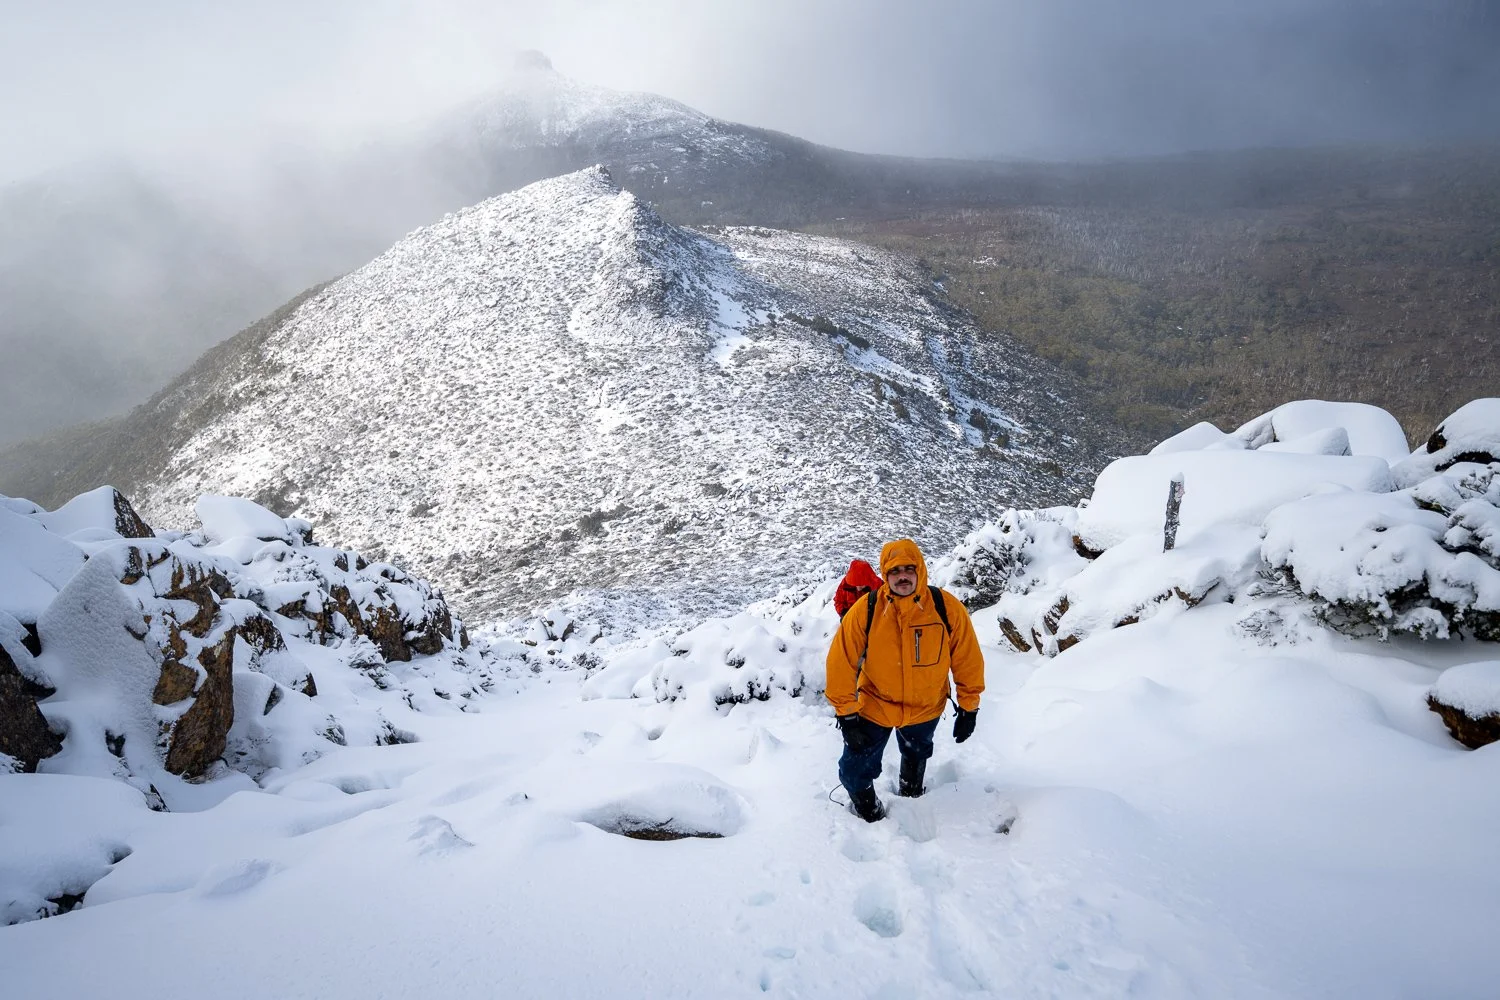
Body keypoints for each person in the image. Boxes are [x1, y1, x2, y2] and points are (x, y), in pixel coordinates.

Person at [825, 538, 984, 822]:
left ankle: (912, 795)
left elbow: (966, 658)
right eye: (895, 571)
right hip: (875, 704)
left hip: (925, 705)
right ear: (885, 575)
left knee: (916, 752)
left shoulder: (945, 607)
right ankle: (870, 813)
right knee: (854, 770)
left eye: (908, 569)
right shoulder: (867, 609)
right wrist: (847, 715)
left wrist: (969, 706)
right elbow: (841, 662)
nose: (902, 576)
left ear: (920, 570)